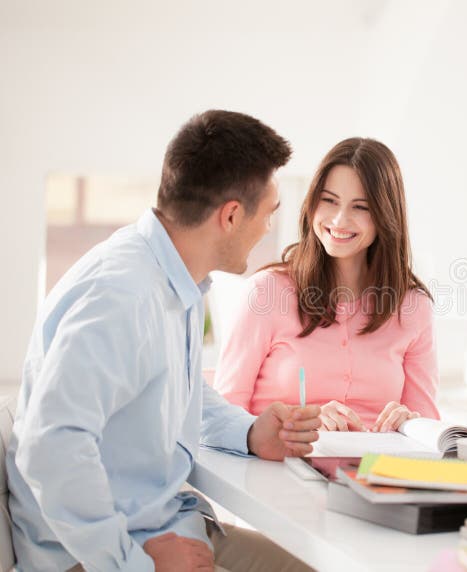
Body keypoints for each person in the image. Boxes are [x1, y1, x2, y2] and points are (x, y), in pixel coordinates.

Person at [7, 110, 321, 571]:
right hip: (97, 554)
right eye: (268, 214)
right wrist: (136, 563)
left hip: (165, 525)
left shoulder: (173, 277)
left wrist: (250, 432)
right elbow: (51, 445)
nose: (268, 229)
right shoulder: (124, 296)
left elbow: (180, 390)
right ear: (231, 216)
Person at [213, 137, 439, 432]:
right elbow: (221, 420)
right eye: (329, 200)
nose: (339, 220)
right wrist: (298, 425)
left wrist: (412, 424)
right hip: (281, 470)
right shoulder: (266, 293)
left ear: (386, 216)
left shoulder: (414, 308)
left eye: (361, 207)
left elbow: (429, 428)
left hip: (374, 472)